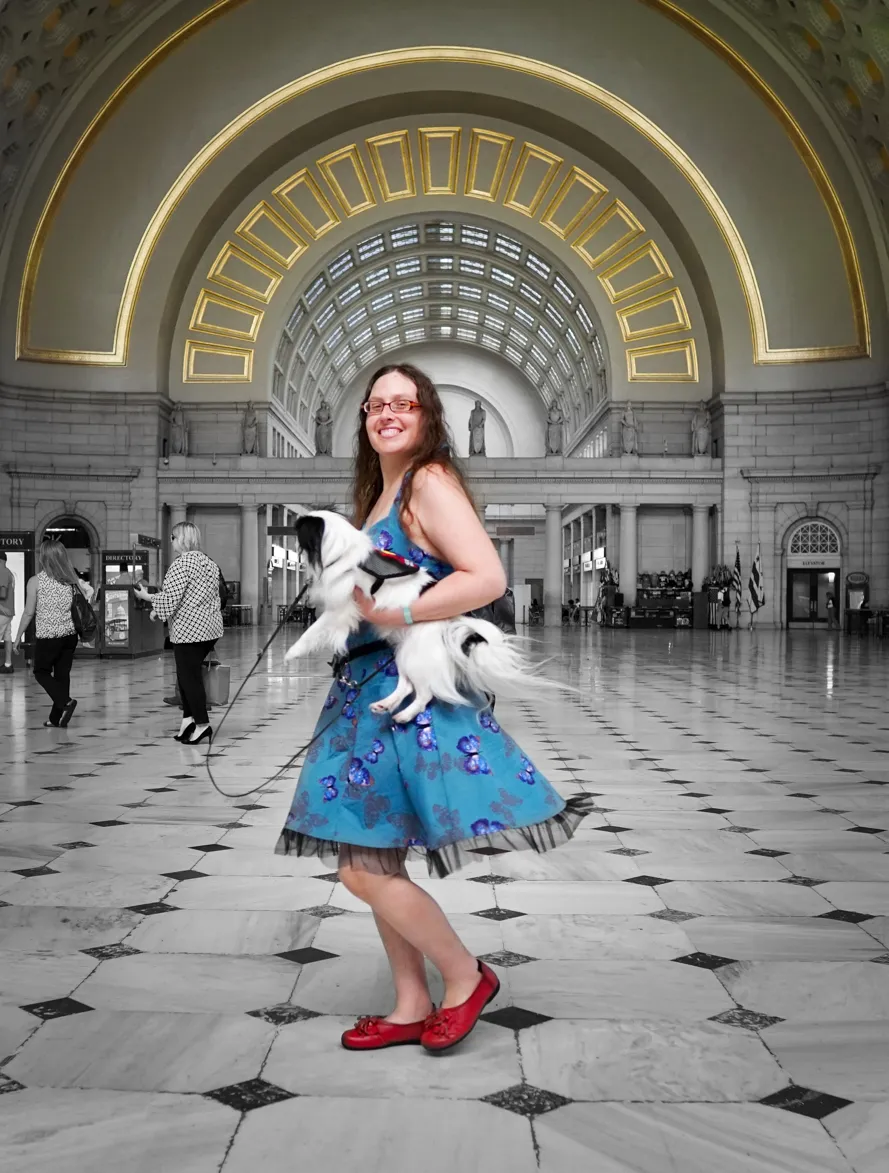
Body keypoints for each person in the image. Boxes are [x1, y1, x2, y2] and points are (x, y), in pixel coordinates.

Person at [276, 362, 587, 1055]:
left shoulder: (428, 482)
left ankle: (463, 976)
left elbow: (487, 576)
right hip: (362, 690)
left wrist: (402, 606)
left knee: (359, 868)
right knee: (376, 856)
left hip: (402, 693)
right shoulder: (380, 491)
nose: (387, 414)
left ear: (426, 417)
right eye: (375, 405)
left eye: (403, 404)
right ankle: (411, 1000)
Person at [134, 523, 223, 744]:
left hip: (189, 631)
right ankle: (188, 720)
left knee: (189, 678)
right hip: (210, 628)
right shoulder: (209, 562)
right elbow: (192, 596)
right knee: (186, 676)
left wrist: (147, 598)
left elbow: (170, 599)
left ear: (181, 539)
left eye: (173, 537)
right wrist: (159, 609)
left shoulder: (181, 564)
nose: (171, 541)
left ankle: (202, 724)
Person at [13, 540, 93, 726]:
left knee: (41, 672)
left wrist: (18, 636)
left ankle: (66, 702)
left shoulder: (36, 582)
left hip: (48, 637)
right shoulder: (72, 582)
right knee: (62, 675)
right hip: (69, 636)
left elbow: (29, 612)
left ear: (43, 557)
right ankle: (55, 719)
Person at [0, 552, 15, 673]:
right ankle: (8, 664)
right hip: (9, 611)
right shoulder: (8, 572)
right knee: (7, 637)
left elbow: (3, 594)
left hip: (2, 611)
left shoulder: (2, 572)